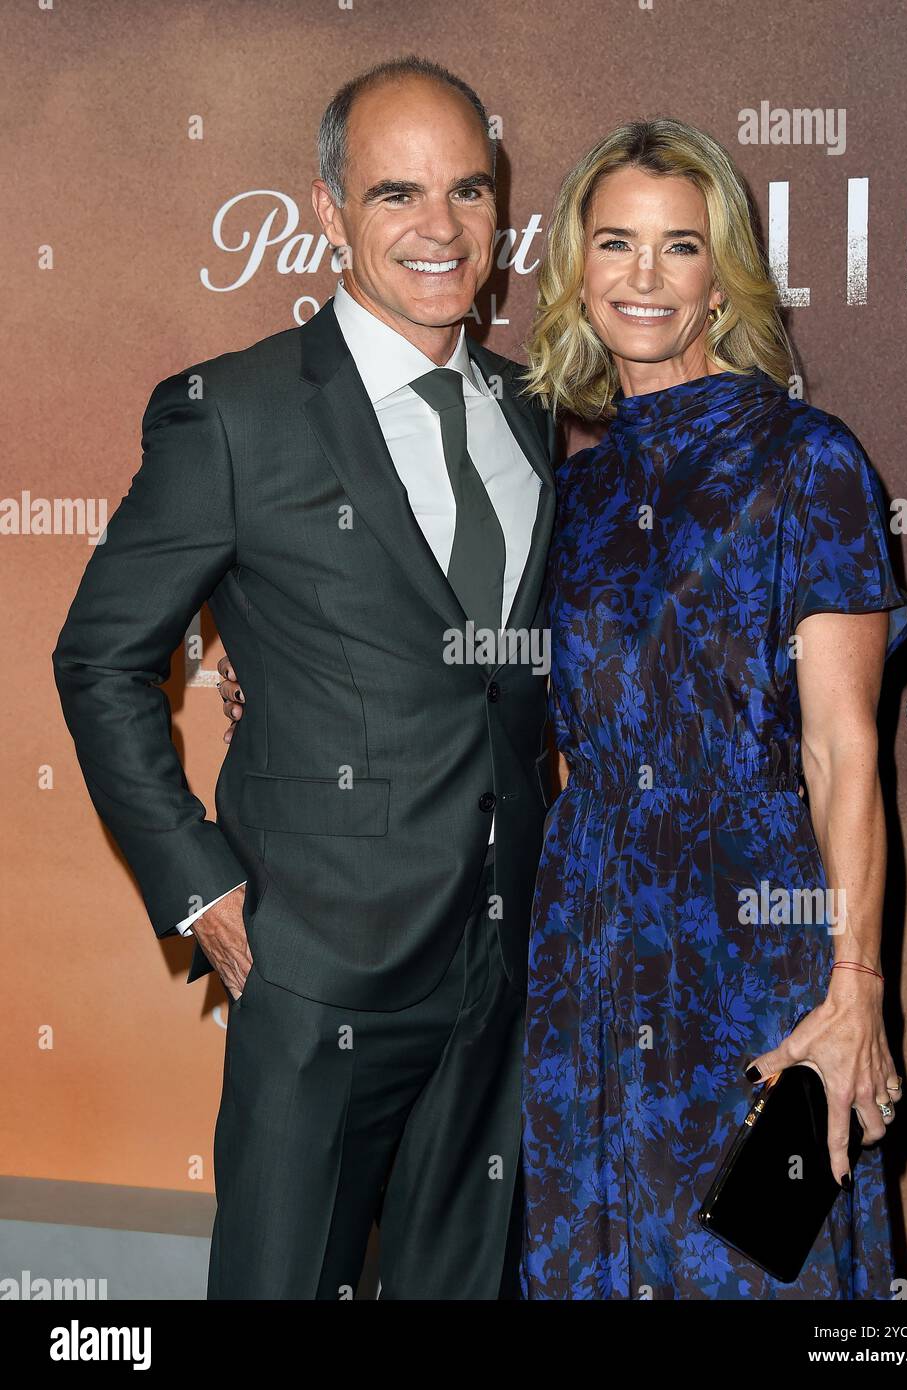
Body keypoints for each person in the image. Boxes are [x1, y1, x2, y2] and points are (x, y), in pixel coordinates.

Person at [52, 56, 556, 1300]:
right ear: (327, 212)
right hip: (317, 956)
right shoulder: (234, 414)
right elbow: (101, 655)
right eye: (396, 195)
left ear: (501, 210)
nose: (440, 229)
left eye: (470, 192)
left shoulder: (536, 408)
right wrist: (197, 881)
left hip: (508, 967)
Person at [514, 117, 907, 1298]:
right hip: (585, 942)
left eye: (678, 247)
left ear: (720, 274)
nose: (644, 276)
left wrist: (856, 990)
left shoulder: (808, 460)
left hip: (754, 941)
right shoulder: (570, 490)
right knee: (598, 1256)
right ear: (576, 270)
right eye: (616, 243)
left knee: (758, 1261)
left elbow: (843, 751)